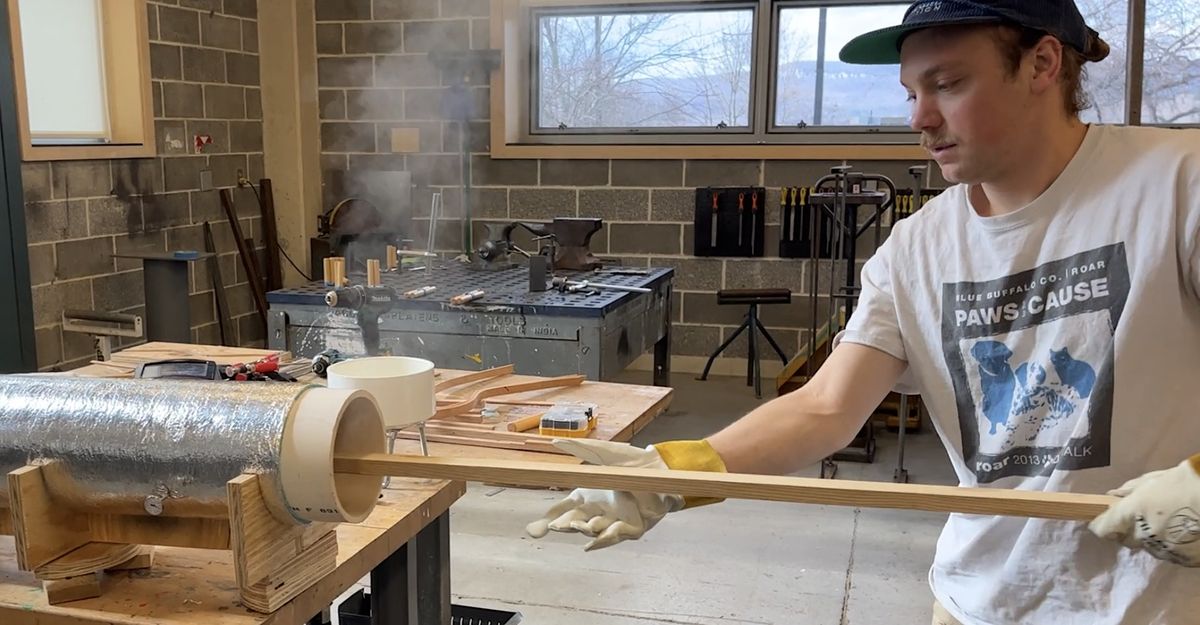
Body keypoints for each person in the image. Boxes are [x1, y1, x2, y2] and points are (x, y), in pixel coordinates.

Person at [525, 1, 1200, 624]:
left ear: (1043, 64)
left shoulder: (1176, 184)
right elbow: (826, 407)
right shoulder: (918, 246)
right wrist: (676, 471)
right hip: (977, 600)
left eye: (948, 84)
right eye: (912, 92)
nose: (919, 118)